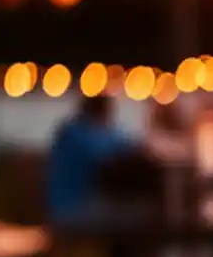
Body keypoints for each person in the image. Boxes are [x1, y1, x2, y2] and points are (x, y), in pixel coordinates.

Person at [45, 94, 142, 228]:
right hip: (73, 208)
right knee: (140, 216)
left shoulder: (75, 130)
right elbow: (104, 153)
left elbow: (124, 143)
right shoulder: (76, 134)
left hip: (72, 206)